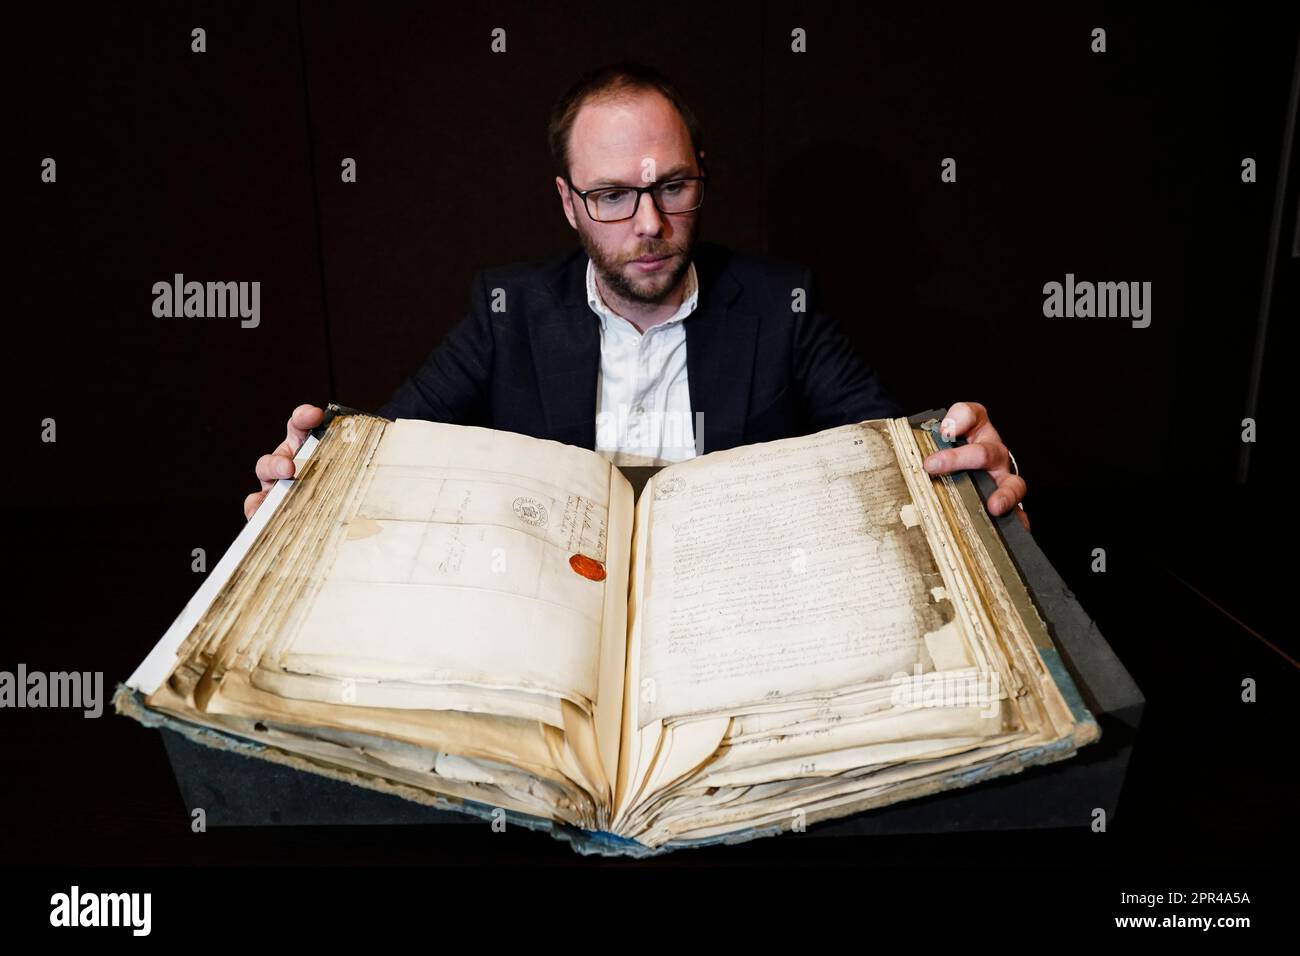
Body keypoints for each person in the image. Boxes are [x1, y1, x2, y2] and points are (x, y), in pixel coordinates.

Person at [245, 62, 1028, 531]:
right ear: (568, 203)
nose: (649, 225)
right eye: (612, 195)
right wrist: (310, 475)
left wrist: (963, 465)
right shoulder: (507, 308)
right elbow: (392, 446)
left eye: (673, 188)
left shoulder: (781, 303)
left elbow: (886, 452)